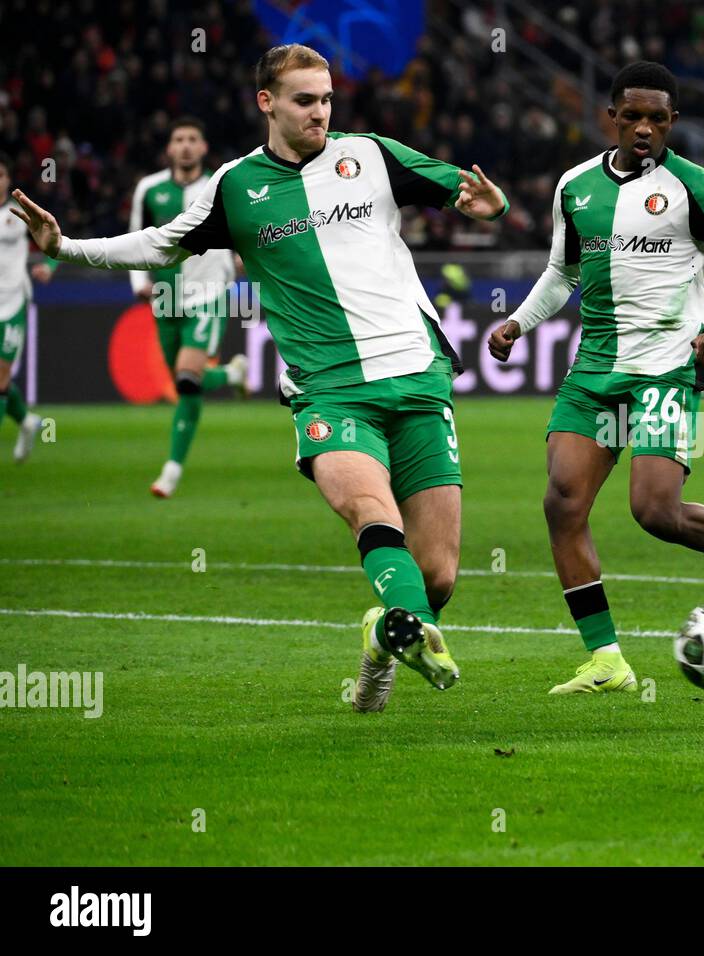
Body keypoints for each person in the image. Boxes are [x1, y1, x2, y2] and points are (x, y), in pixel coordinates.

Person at [10, 44, 510, 713]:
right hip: (329, 388)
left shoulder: (372, 155)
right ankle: (413, 633)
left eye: (328, 99)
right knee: (370, 508)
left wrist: (490, 205)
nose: (321, 113)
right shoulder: (236, 188)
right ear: (266, 103)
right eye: (306, 100)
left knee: (438, 575)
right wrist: (67, 247)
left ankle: (384, 634)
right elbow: (159, 243)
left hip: (417, 376)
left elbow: (465, 191)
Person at [489, 62, 704, 695]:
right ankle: (606, 660)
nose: (644, 128)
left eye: (657, 118)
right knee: (562, 503)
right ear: (611, 118)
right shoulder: (575, 186)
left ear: (671, 122)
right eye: (633, 116)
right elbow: (561, 274)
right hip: (595, 368)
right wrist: (517, 323)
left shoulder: (696, 187)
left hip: (670, 368)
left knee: (654, 510)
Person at [128, 117, 246, 497]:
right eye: (179, 139)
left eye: (193, 139)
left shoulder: (222, 184)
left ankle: (171, 470)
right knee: (187, 387)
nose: (185, 146)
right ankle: (231, 375)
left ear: (204, 147)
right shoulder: (149, 189)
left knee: (186, 377)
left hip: (210, 292)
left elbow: (242, 227)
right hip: (165, 295)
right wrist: (139, 282)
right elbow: (136, 237)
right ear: (169, 148)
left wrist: (242, 257)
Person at [0, 152, 53, 462]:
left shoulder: (20, 212)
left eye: (1, 175)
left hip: (12, 301)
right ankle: (28, 422)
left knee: (1, 376)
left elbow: (54, 237)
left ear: (8, 180)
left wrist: (49, 266)